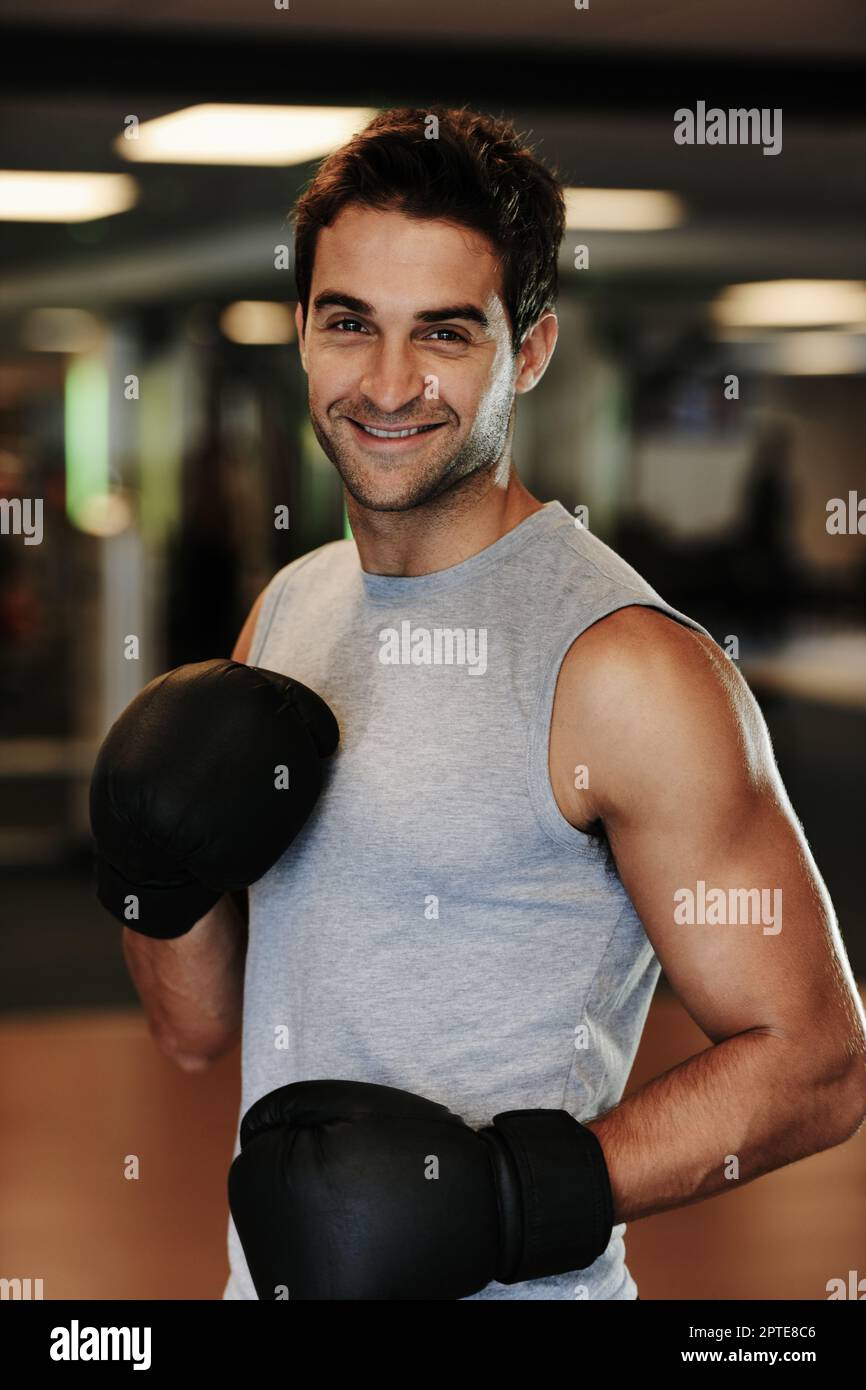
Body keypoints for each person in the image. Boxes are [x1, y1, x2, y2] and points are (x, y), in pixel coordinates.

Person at [117, 107, 866, 1300]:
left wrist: (513, 1198)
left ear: (527, 352)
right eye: (348, 323)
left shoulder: (620, 666)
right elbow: (197, 1031)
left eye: (445, 333)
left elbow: (818, 1061)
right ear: (301, 334)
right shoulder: (290, 611)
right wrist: (153, 870)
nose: (388, 382)